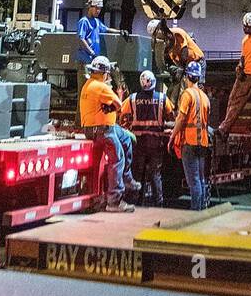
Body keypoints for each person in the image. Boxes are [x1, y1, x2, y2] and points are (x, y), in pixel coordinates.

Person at [79, 55, 141, 212]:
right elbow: (118, 104)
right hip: (103, 130)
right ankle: (114, 201)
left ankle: (127, 179)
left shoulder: (88, 84)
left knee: (126, 138)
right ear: (105, 73)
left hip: (98, 128)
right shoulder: (101, 87)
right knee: (117, 158)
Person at [119, 71, 174, 206]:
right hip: (156, 143)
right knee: (155, 174)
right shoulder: (162, 98)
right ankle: (158, 203)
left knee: (138, 174)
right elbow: (172, 115)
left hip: (139, 143)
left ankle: (136, 202)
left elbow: (121, 113)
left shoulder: (133, 98)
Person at [217, 11, 251, 139]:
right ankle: (225, 128)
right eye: (244, 26)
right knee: (232, 99)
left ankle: (224, 128)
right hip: (244, 73)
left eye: (248, 27)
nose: (245, 29)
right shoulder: (245, 40)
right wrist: (240, 66)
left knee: (237, 102)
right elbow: (243, 57)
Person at [168, 61, 211, 211]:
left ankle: (195, 212)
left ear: (187, 77)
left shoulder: (187, 94)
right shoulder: (205, 97)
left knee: (193, 181)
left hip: (190, 141)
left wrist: (172, 136)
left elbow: (181, 118)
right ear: (198, 78)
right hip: (202, 142)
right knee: (200, 179)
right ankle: (201, 209)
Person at [147, 19, 205, 100]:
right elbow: (167, 61)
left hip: (196, 62)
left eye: (156, 33)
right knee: (177, 92)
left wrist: (180, 71)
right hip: (184, 66)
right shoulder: (164, 42)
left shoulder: (177, 33)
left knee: (197, 89)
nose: (157, 37)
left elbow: (184, 54)